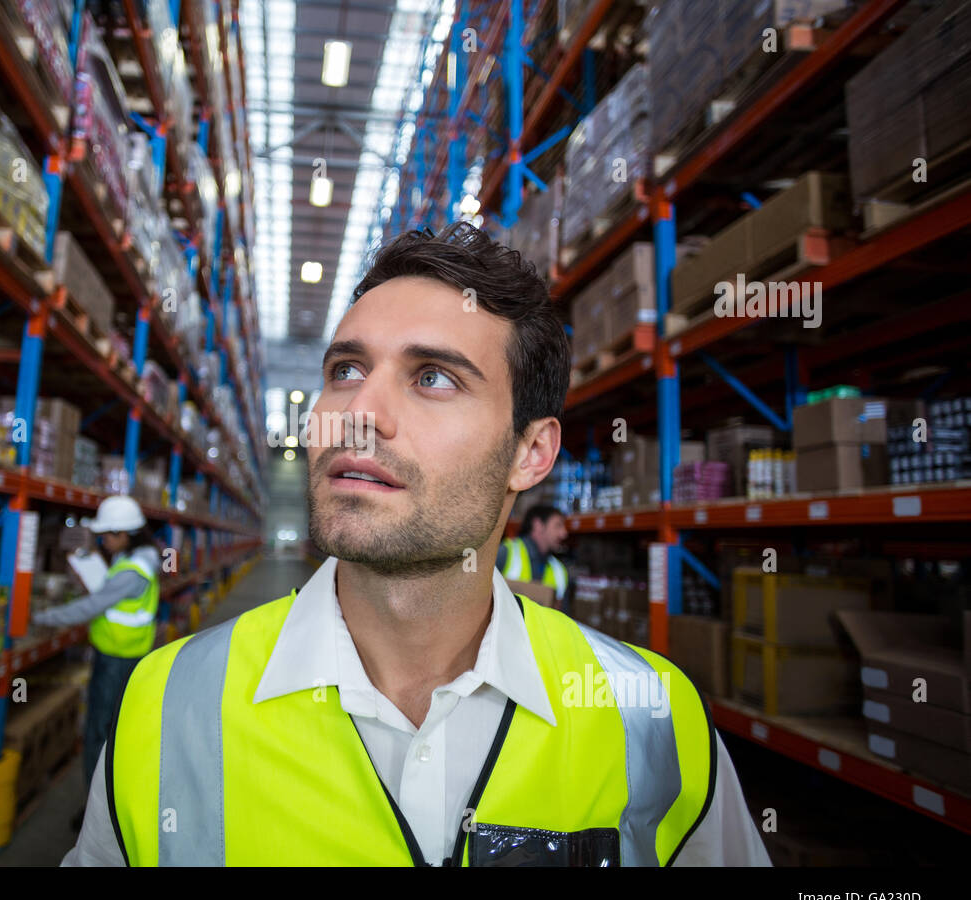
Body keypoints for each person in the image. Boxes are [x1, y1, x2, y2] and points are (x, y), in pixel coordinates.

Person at [64, 222, 770, 867]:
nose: (360, 415)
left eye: (432, 377)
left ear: (531, 453)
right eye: (345, 371)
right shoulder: (167, 704)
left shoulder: (649, 719)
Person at [31, 495, 160, 806]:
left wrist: (39, 617)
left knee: (98, 735)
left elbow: (92, 606)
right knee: (114, 730)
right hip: (129, 655)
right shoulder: (140, 558)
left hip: (116, 659)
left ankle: (96, 812)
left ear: (124, 534)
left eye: (106, 536)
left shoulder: (132, 571)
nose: (103, 541)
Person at [496, 504, 571, 610]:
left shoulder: (560, 570)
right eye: (558, 525)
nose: (564, 533)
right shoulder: (506, 552)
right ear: (538, 525)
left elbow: (564, 615)